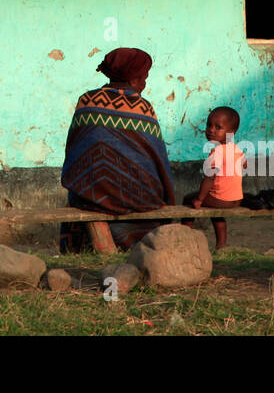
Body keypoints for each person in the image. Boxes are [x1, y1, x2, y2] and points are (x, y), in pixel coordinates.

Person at [60, 47, 176, 251]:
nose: (145, 83)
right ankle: (135, 244)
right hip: (137, 198)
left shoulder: (86, 101)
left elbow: (73, 149)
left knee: (78, 193)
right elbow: (158, 158)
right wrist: (169, 199)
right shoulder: (143, 107)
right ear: (132, 79)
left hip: (90, 196)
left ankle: (82, 247)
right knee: (150, 199)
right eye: (143, 77)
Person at [182, 107, 244, 250]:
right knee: (216, 213)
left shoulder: (217, 152)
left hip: (221, 201)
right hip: (236, 200)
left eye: (218, 127)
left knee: (188, 199)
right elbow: (244, 164)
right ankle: (221, 245)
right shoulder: (236, 149)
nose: (211, 130)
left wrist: (200, 199)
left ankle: (185, 238)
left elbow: (208, 179)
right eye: (209, 125)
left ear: (231, 133)